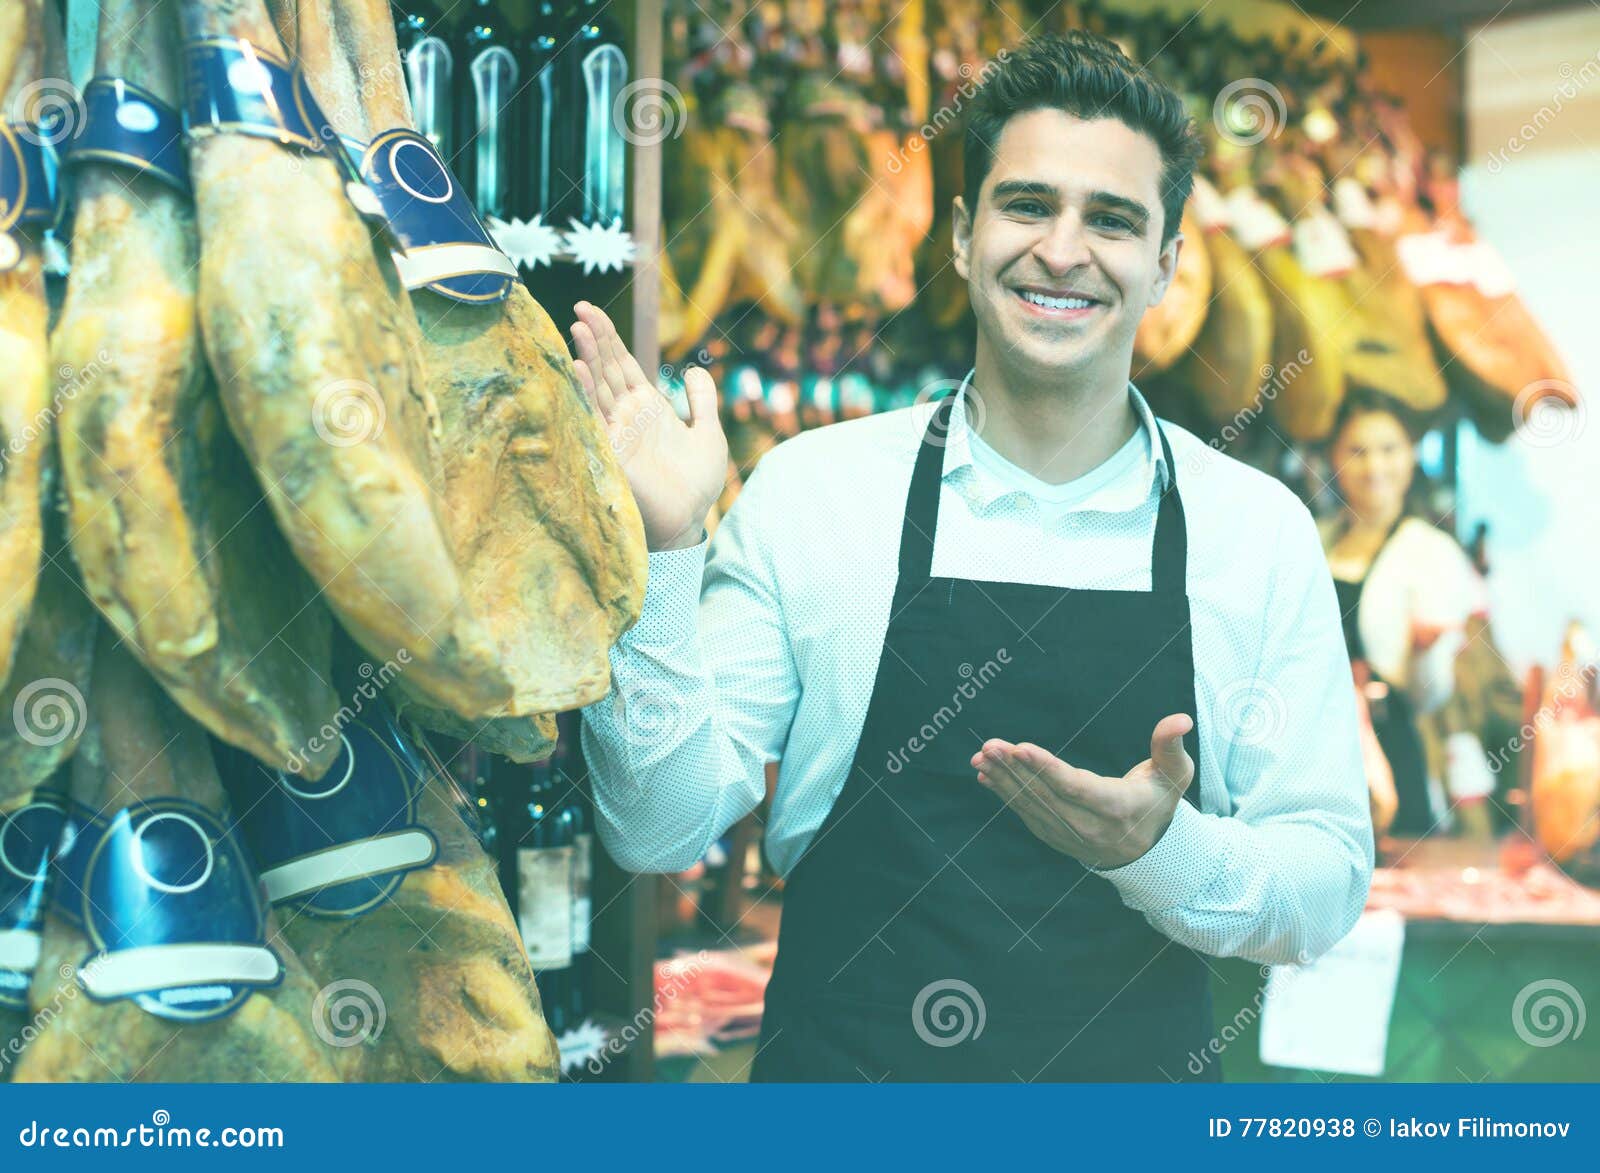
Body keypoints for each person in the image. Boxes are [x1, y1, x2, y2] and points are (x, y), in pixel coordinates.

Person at [568, 32, 1372, 1082]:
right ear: (961, 234)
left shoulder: (1252, 532)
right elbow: (655, 827)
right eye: (1027, 205)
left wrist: (1155, 850)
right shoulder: (817, 495)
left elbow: (1322, 890)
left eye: (1113, 220)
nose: (1062, 249)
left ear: (1167, 264)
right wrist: (667, 549)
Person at [1322, 388, 1488, 838]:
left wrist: (1425, 654)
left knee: (1400, 863)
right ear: (1335, 458)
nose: (1374, 466)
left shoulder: (1431, 552)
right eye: (1357, 451)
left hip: (1394, 739)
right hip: (1320, 738)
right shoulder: (1315, 541)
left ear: (1411, 457)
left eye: (1389, 449)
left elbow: (1433, 695)